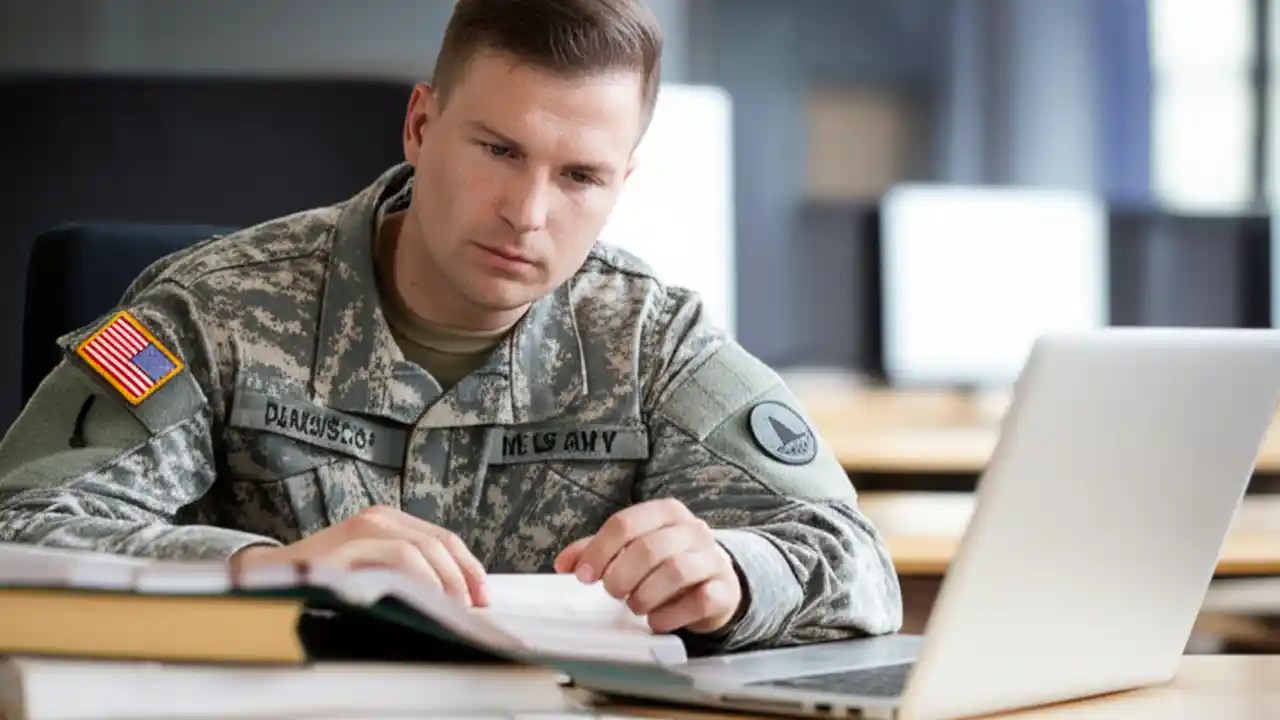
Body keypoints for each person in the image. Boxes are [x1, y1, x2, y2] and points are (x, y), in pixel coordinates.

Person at [0, 0, 901, 652]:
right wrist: (267, 565)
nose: (527, 211)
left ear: (621, 184)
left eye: (580, 176)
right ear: (422, 125)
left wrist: (736, 574)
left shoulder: (650, 342)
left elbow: (857, 563)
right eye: (499, 150)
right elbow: (22, 526)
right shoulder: (211, 310)